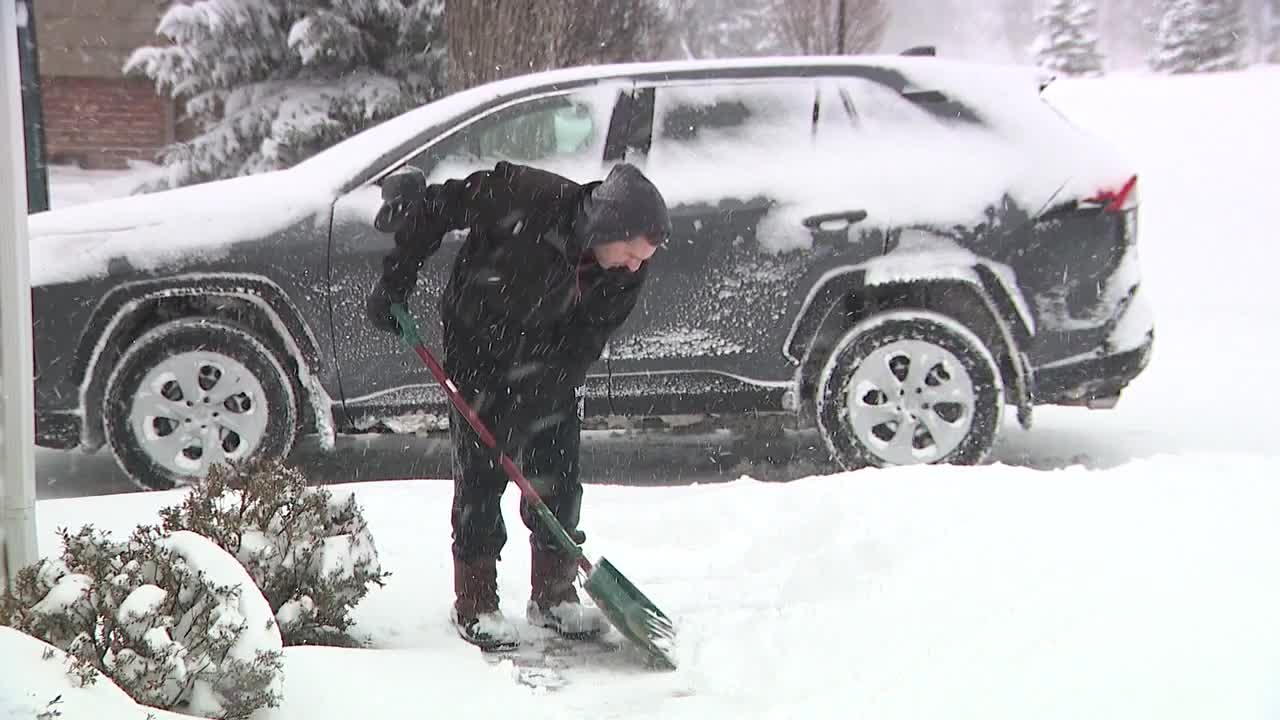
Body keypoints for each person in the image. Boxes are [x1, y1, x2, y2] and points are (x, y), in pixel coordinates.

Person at [365, 160, 671, 650]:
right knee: (484, 473)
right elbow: (436, 209)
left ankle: (553, 596)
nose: (637, 266)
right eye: (633, 253)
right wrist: (396, 281)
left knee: (558, 469)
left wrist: (543, 396)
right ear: (608, 226)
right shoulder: (525, 195)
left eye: (644, 258)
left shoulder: (625, 275)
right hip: (478, 338)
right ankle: (476, 602)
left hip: (549, 356)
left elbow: (584, 342)